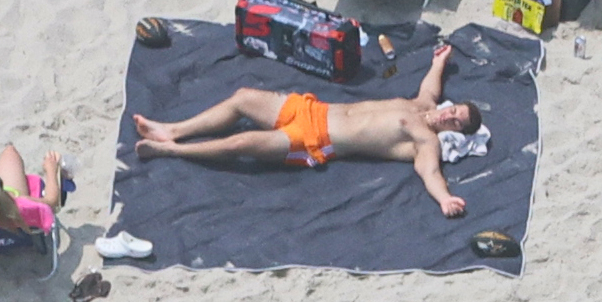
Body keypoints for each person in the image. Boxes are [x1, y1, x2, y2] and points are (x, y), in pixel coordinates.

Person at [133, 43, 480, 217]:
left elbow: (430, 172)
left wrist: (445, 198)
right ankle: (172, 129)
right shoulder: (425, 106)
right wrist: (439, 62)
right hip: (312, 110)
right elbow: (431, 86)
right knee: (243, 97)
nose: (448, 118)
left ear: (454, 132)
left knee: (241, 142)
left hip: (314, 140)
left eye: (455, 123)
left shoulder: (425, 140)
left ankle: (171, 149)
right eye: (454, 112)